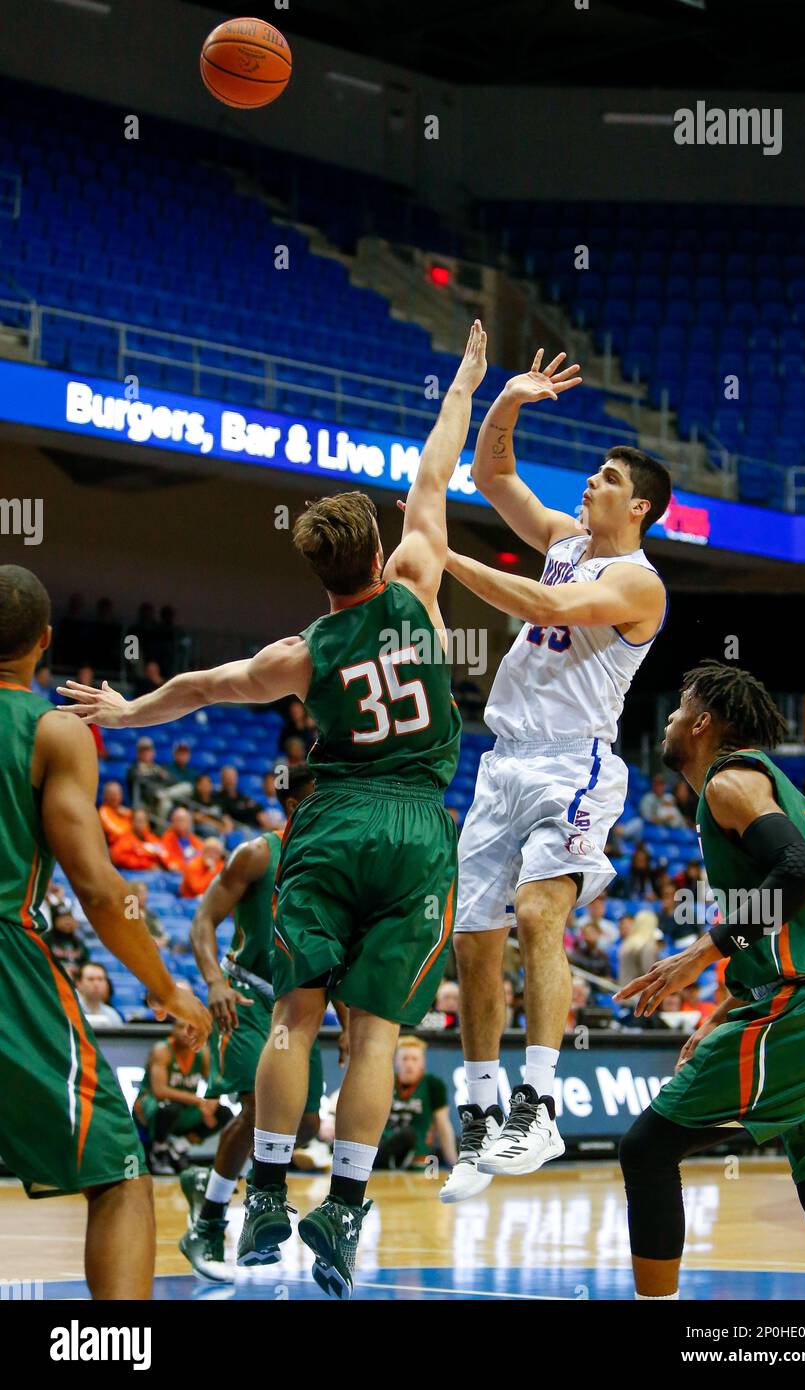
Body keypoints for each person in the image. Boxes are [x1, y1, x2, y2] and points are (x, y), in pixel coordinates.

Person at [58, 321, 489, 1299]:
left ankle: (261, 1196)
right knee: (373, 1035)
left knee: (295, 1017)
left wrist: (126, 709)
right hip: (421, 825)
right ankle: (342, 1205)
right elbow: (433, 473)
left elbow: (206, 687)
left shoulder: (301, 654)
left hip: (330, 823)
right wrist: (461, 381)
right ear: (379, 551)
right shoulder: (420, 592)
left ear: (320, 575)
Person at [436, 357, 671, 1201]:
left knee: (539, 909)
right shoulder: (567, 545)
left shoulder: (636, 579)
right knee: (473, 938)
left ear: (637, 506)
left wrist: (444, 559)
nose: (589, 483)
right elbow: (492, 472)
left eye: (605, 479)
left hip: (575, 764)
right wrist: (505, 402)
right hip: (503, 762)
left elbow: (547, 610)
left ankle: (537, 1104)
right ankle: (479, 1111)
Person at [616, 660, 805, 1300]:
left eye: (677, 709)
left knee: (647, 1148)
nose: (668, 720)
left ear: (702, 723)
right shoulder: (767, 788)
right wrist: (720, 1014)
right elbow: (792, 924)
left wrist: (697, 956)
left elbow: (799, 871)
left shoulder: (730, 783)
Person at [0, 564, 209, 1299]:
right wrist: (165, 987)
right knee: (119, 1170)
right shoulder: (52, 730)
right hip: (6, 962)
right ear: (45, 643)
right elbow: (96, 886)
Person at [178, 763, 327, 1281]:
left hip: (302, 1003)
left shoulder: (332, 858)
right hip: (245, 996)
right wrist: (214, 982)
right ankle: (211, 1220)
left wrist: (351, 1022)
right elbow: (202, 919)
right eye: (321, 796)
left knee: (305, 1125)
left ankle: (211, 1182)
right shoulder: (258, 854)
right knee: (257, 1108)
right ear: (293, 807)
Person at [134, 1019, 227, 1175]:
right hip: (150, 1104)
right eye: (180, 1027)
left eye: (190, 1028)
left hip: (183, 1106)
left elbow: (215, 1082)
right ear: (172, 1029)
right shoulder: (162, 1050)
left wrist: (213, 1100)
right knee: (170, 1107)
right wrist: (199, 1101)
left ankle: (178, 1148)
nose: (185, 1032)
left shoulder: (201, 1052)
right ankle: (159, 1151)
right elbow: (160, 1091)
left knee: (223, 1114)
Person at [374, 1037, 457, 1171]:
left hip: (418, 1157)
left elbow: (443, 1125)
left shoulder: (433, 1084)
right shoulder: (385, 1080)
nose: (409, 1064)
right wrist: (331, 1117)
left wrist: (454, 1164)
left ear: (423, 1063)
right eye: (405, 1059)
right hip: (384, 1154)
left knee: (409, 1134)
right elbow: (346, 1094)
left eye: (414, 1059)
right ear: (396, 1062)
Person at [110, 807, 172, 872]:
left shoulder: (151, 838)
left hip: (153, 872)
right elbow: (118, 857)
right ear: (132, 822)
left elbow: (162, 851)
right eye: (139, 820)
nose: (141, 823)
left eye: (144, 820)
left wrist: (168, 863)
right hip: (131, 873)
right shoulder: (125, 838)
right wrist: (147, 865)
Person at [43, 900, 90, 981]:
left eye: (70, 917)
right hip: (52, 980)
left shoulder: (79, 942)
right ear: (54, 920)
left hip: (76, 982)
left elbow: (86, 965)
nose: (68, 921)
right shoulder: (46, 939)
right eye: (63, 918)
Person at [77, 962, 124, 1029]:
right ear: (79, 983)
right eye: (90, 979)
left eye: (100, 979)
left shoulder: (112, 1015)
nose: (96, 984)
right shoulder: (71, 1012)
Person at [215, 764, 261, 828]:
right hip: (235, 829)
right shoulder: (218, 798)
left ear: (236, 779)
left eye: (232, 777)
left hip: (250, 827)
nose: (230, 781)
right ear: (222, 779)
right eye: (227, 778)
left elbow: (258, 809)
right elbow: (225, 817)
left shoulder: (243, 797)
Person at [161, 805, 203, 872]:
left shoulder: (194, 839)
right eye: (179, 820)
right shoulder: (168, 837)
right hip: (178, 874)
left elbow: (201, 854)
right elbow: (171, 863)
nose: (182, 823)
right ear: (173, 822)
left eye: (184, 820)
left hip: (194, 871)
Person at [98, 779, 133, 846]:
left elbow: (143, 830)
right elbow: (118, 832)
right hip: (117, 848)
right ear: (105, 796)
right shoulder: (103, 812)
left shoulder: (127, 812)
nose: (115, 797)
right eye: (112, 794)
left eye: (117, 793)